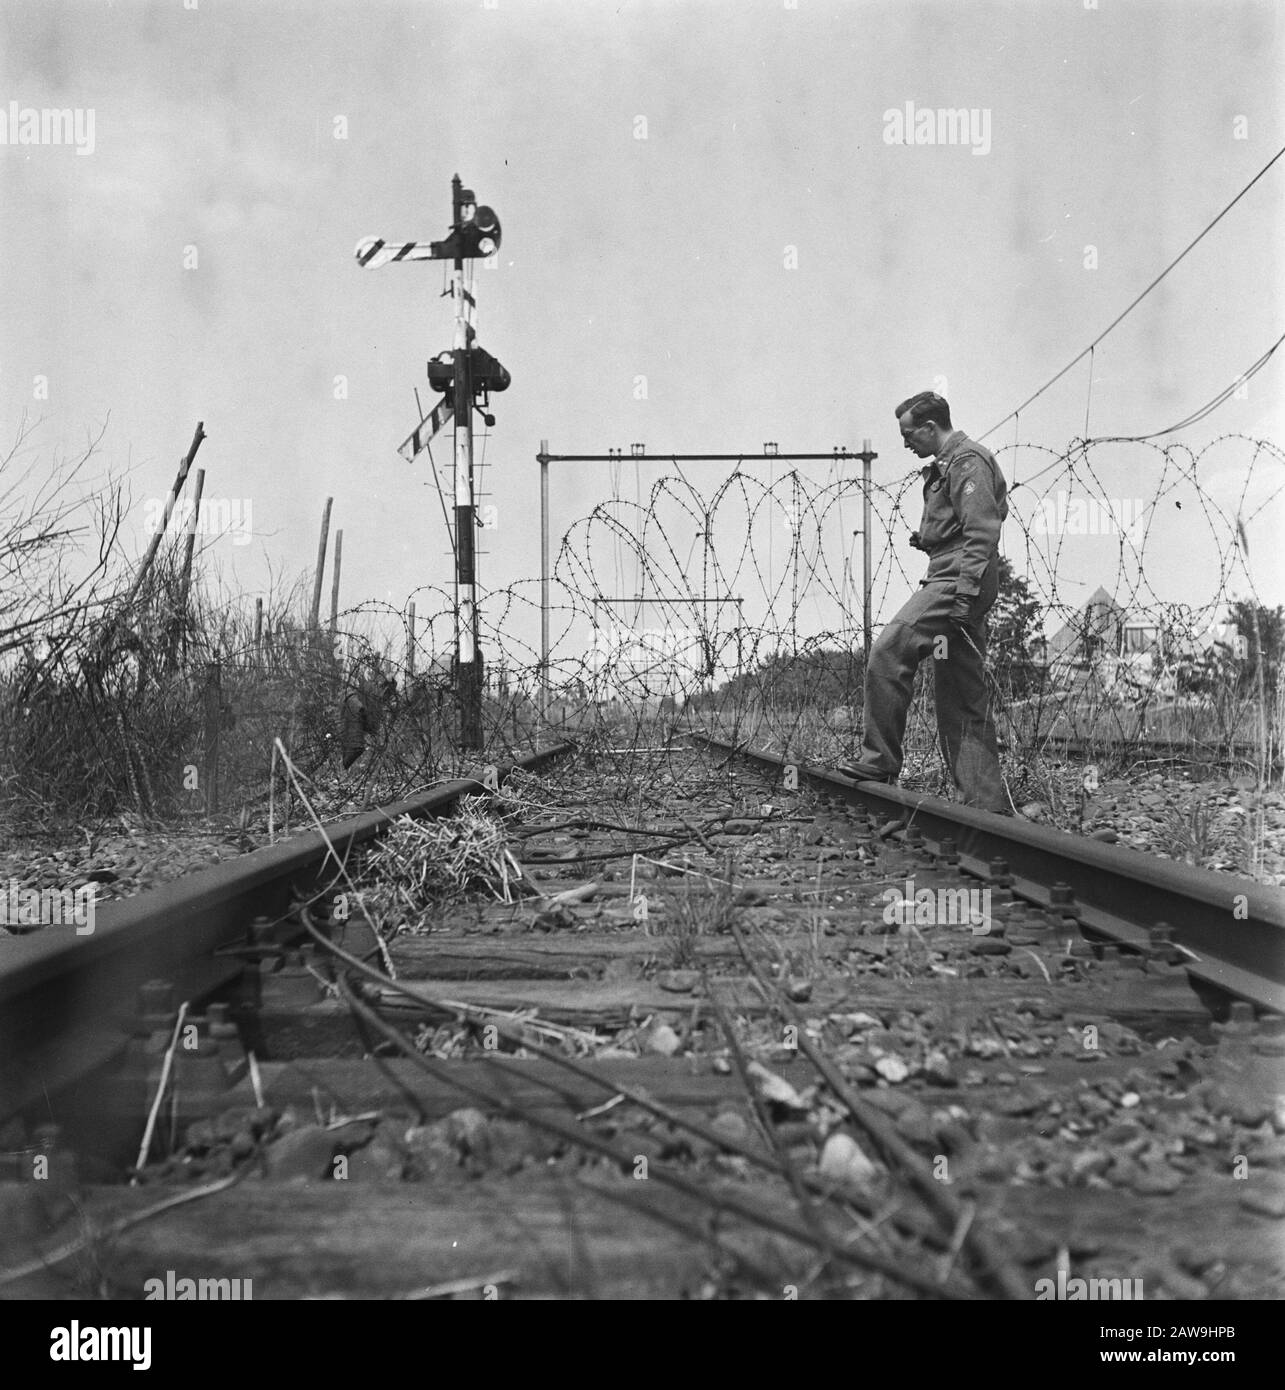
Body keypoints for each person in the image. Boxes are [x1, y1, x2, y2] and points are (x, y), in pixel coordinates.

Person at [841, 391, 1011, 814]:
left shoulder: (967, 462)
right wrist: (930, 539)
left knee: (889, 648)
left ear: (931, 428)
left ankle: (879, 761)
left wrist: (964, 594)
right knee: (961, 691)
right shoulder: (949, 466)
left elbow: (981, 533)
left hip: (959, 577)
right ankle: (985, 802)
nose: (905, 443)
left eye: (908, 433)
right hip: (951, 570)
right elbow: (959, 526)